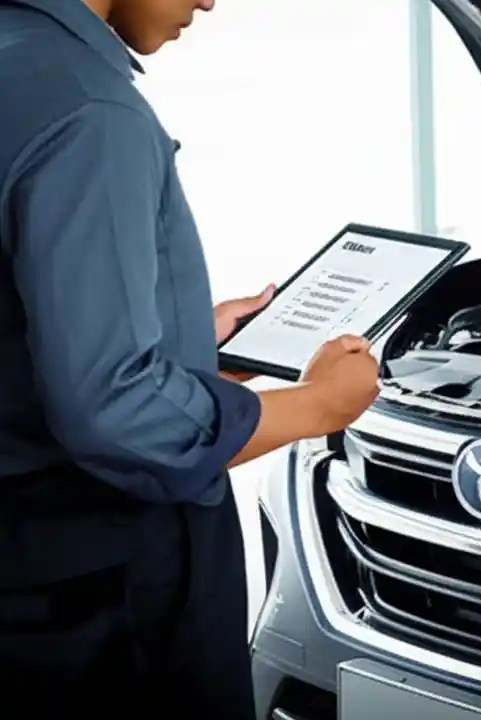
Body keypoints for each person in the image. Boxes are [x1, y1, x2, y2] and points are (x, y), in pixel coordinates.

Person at [0, 0, 381, 717]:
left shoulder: (15, 57)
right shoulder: (91, 111)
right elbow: (113, 412)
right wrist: (316, 407)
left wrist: (183, 345)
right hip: (96, 587)